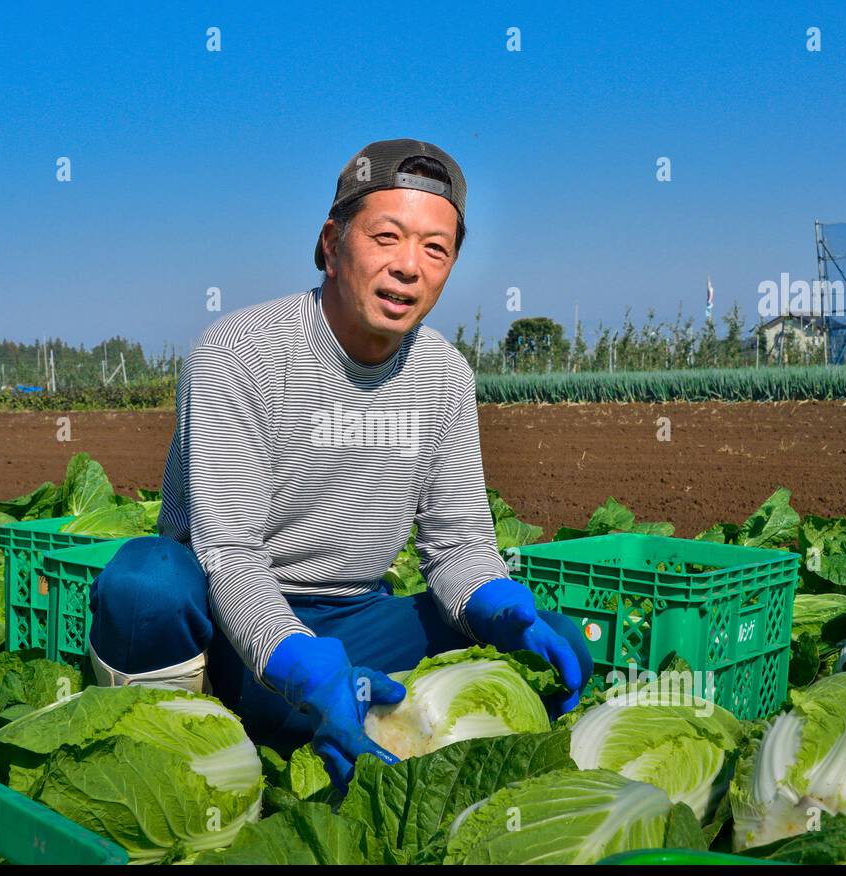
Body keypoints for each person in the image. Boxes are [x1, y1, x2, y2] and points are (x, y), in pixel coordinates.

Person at [87, 139, 592, 789]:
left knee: (556, 643)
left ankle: (318, 717)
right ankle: (186, 731)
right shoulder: (237, 353)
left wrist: (492, 604)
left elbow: (459, 544)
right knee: (145, 586)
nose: (409, 266)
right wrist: (300, 664)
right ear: (331, 243)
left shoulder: (444, 374)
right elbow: (231, 555)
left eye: (435, 248)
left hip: (355, 622)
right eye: (387, 236)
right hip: (223, 626)